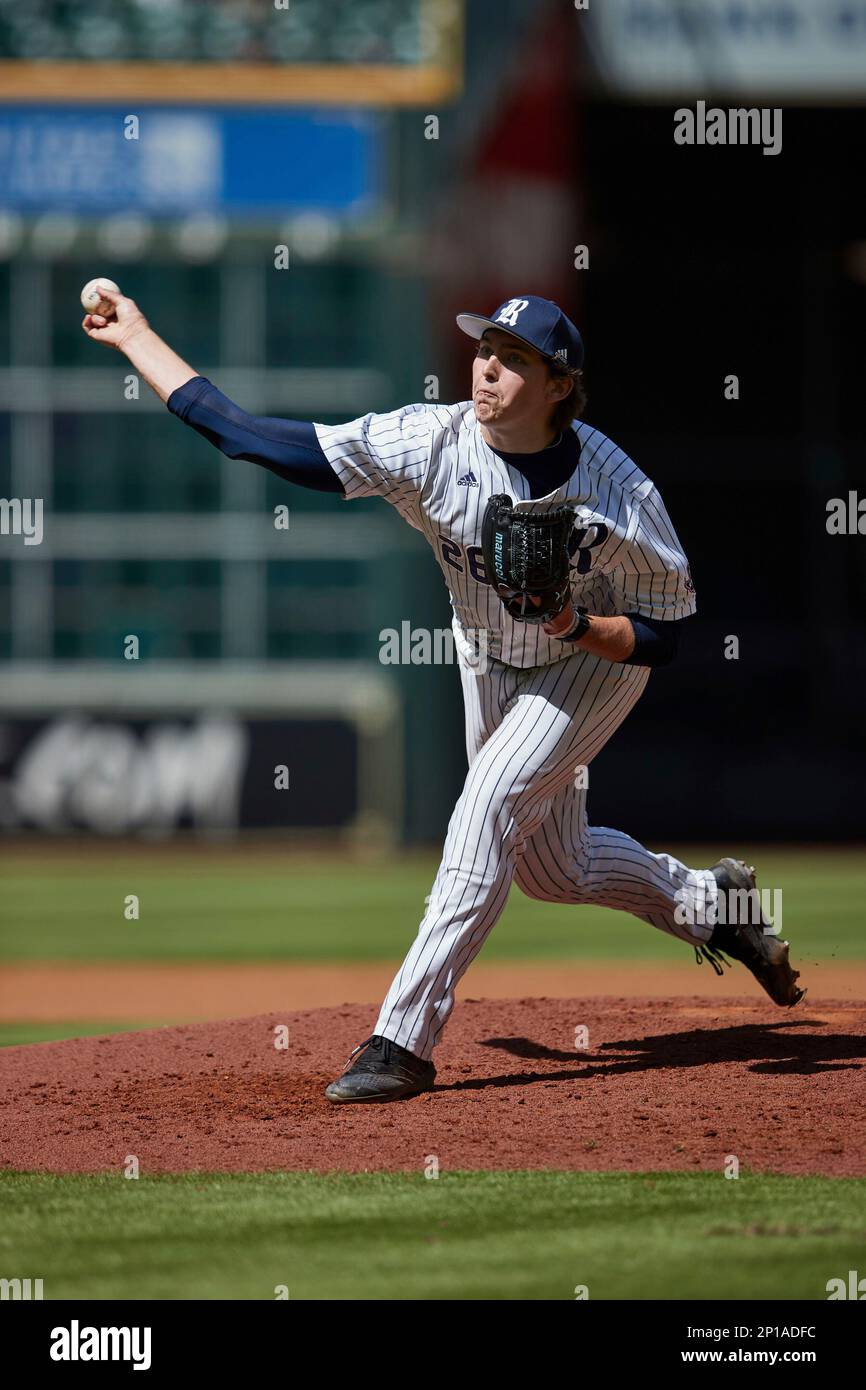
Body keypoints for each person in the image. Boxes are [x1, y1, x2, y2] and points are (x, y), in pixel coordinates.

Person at [83, 288, 805, 1104]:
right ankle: (714, 905)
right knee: (554, 870)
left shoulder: (617, 492)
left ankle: (402, 1041)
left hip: (589, 662)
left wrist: (575, 623)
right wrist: (138, 335)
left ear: (560, 384)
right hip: (489, 654)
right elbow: (251, 438)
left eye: (514, 358)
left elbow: (665, 633)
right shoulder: (430, 443)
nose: (487, 368)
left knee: (485, 809)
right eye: (484, 350)